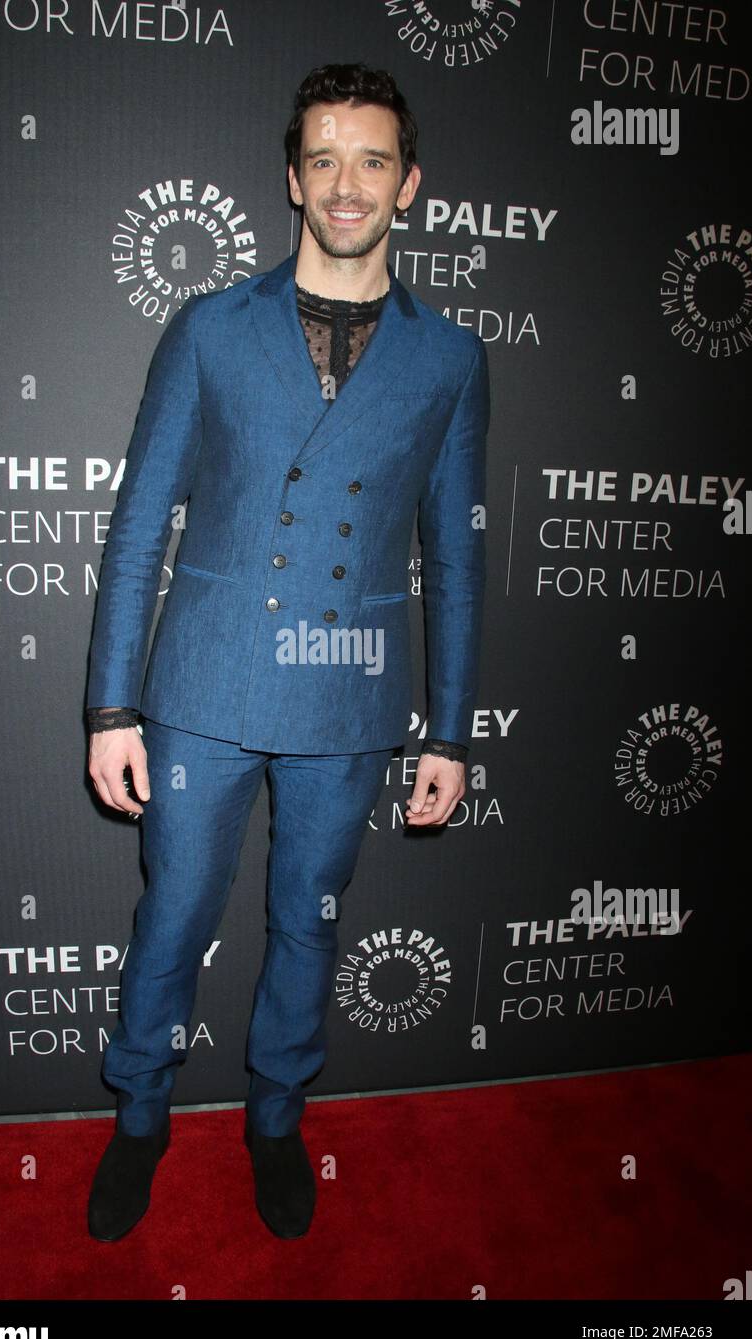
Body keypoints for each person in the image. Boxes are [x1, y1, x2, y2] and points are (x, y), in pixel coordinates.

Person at [84, 62, 491, 1242]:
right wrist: (111, 708)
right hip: (202, 690)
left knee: (309, 921)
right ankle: (142, 1116)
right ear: (292, 179)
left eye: (371, 159)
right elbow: (136, 524)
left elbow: (454, 558)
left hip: (351, 701)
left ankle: (273, 1119)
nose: (345, 181)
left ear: (406, 184)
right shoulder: (211, 327)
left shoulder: (452, 359)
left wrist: (452, 730)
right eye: (323, 157)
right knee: (172, 917)